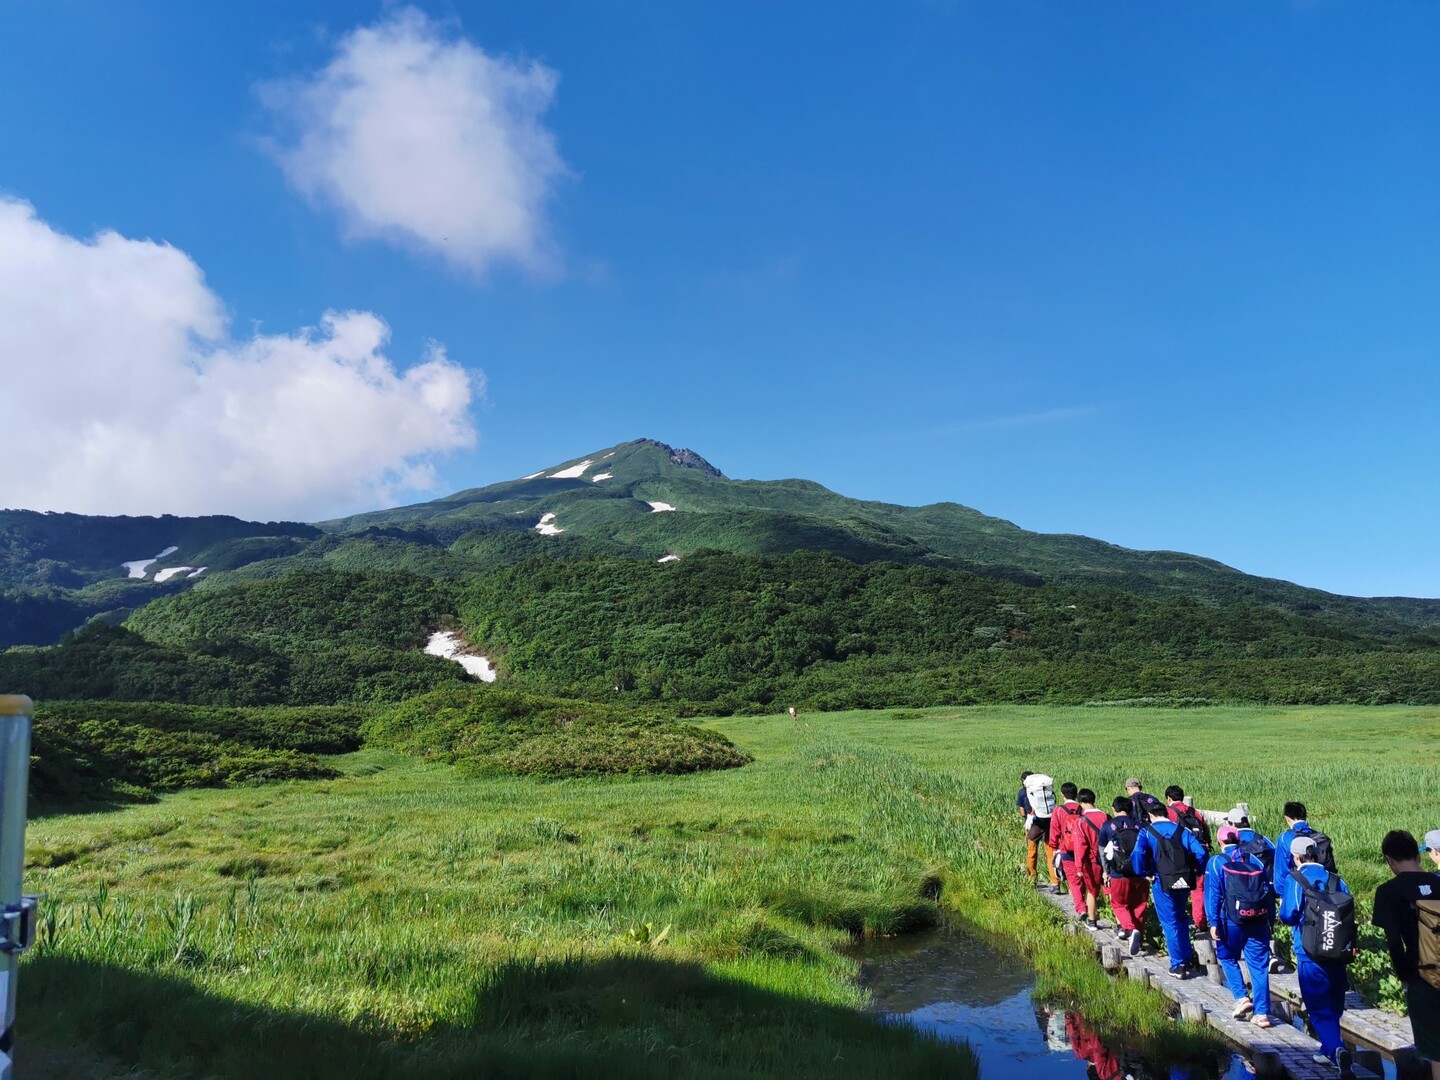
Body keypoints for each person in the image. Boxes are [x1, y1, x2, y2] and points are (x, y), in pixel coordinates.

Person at [1279, 836, 1354, 1076]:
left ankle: (1337, 1050)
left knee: (1317, 1007)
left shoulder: (1295, 879)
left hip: (1308, 951)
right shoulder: (1336, 879)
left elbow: (1288, 914)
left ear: (1296, 856)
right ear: (1318, 855)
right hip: (1338, 951)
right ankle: (1327, 1049)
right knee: (1333, 1004)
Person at [1372, 830, 1440, 1079]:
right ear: (1418, 855)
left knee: (1435, 1050)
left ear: (1389, 860)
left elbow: (1392, 942)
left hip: (1421, 978)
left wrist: (1404, 978)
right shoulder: (1438, 882)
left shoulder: (1388, 892)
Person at [1205, 825, 1275, 1028]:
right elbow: (1267, 892)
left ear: (1220, 842)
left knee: (1227, 956)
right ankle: (1262, 1014)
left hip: (1231, 921)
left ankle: (1242, 998)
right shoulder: (1255, 861)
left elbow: (1213, 896)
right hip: (1259, 920)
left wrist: (1213, 922)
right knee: (1259, 966)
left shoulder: (1217, 862)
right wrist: (1270, 919)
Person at [1132, 803, 1208, 978]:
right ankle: (1187, 956)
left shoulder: (1146, 832)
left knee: (1169, 922)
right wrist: (1197, 871)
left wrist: (1143, 872)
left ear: (1151, 816)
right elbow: (1201, 854)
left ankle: (1177, 964)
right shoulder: (1182, 831)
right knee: (1182, 918)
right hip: (1183, 880)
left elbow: (1137, 854)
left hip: (1161, 881)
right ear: (1166, 813)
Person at [1099, 795, 1148, 956]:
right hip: (1140, 873)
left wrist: (1106, 872)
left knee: (1119, 904)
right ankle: (1138, 941)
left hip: (1118, 873)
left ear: (1114, 809)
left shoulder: (1107, 826)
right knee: (1139, 905)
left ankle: (1130, 929)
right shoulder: (1140, 826)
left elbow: (1103, 853)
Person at [1166, 785, 1212, 930]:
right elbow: (1205, 829)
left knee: (1177, 886)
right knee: (1199, 888)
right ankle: (1201, 922)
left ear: (1168, 798)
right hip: (1200, 851)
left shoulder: (1169, 812)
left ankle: (1180, 919)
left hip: (1181, 854)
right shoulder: (1194, 812)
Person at [1274, 801, 1336, 900]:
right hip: (1324, 891)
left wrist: (1282, 895)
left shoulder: (1284, 838)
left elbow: (1281, 871)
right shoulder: (1321, 837)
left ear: (1287, 818)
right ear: (1305, 817)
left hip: (1297, 890)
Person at [1071, 789, 1110, 929]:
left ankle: (1092, 920)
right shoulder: (1105, 816)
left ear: (1080, 802)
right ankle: (1120, 923)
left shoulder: (1081, 821)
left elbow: (1080, 846)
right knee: (1109, 889)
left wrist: (1079, 867)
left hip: (1091, 860)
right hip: (1107, 858)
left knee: (1092, 891)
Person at [1018, 771, 1059, 893]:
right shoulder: (1045, 790)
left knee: (1032, 851)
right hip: (1049, 823)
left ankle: (1032, 878)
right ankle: (1055, 882)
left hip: (1034, 825)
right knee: (1050, 852)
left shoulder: (1022, 792)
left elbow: (1022, 812)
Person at [1050, 782, 1082, 913]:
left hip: (1066, 847)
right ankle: (1084, 900)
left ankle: (1080, 907)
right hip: (1082, 848)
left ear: (1062, 794)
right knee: (1082, 874)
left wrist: (1054, 846)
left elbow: (1054, 831)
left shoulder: (1059, 810)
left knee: (1072, 878)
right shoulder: (1082, 809)